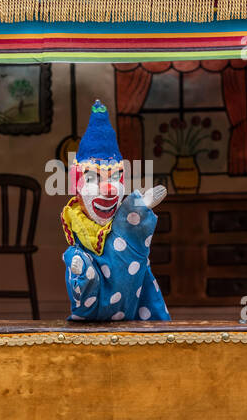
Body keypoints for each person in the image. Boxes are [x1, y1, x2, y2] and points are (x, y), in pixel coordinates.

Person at [60, 100, 169, 322]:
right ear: (76, 183)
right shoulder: (76, 221)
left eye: (115, 177)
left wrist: (140, 205)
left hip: (130, 305)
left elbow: (132, 231)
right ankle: (86, 281)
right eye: (93, 178)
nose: (108, 190)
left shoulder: (124, 220)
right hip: (92, 303)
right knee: (76, 260)